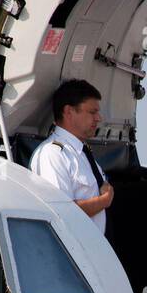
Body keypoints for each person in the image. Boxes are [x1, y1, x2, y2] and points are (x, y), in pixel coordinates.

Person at [29, 79, 114, 233]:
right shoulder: (53, 154)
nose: (98, 118)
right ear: (68, 112)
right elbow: (61, 212)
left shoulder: (82, 154)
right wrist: (103, 201)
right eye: (92, 112)